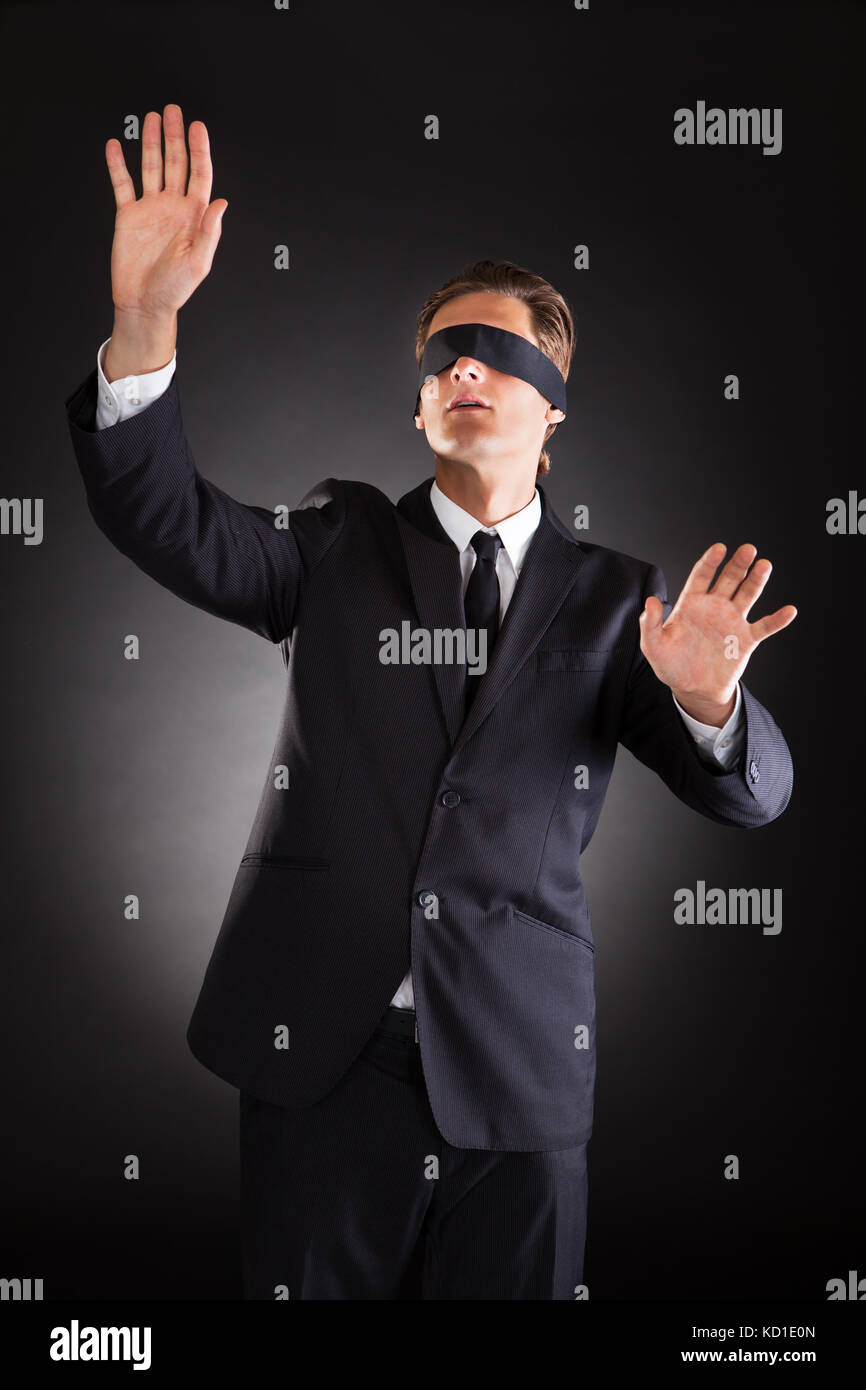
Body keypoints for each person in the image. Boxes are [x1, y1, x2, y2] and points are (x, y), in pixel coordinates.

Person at [65, 104, 796, 1300]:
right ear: (417, 405)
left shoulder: (625, 604)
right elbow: (167, 520)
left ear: (552, 409)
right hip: (322, 1058)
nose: (466, 368)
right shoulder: (332, 537)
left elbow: (750, 796)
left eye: (502, 355)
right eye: (445, 354)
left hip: (517, 1070)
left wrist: (711, 700)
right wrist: (145, 318)